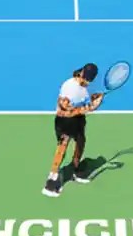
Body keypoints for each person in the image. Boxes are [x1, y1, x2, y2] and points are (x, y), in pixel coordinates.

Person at [43, 63, 103, 198]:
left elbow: (82, 101)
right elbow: (63, 112)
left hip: (78, 120)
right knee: (63, 147)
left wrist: (93, 99)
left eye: (88, 80)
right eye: (85, 78)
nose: (86, 82)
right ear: (81, 73)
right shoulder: (69, 88)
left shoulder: (84, 86)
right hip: (64, 121)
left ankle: (76, 169)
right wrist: (90, 108)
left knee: (81, 141)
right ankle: (52, 177)